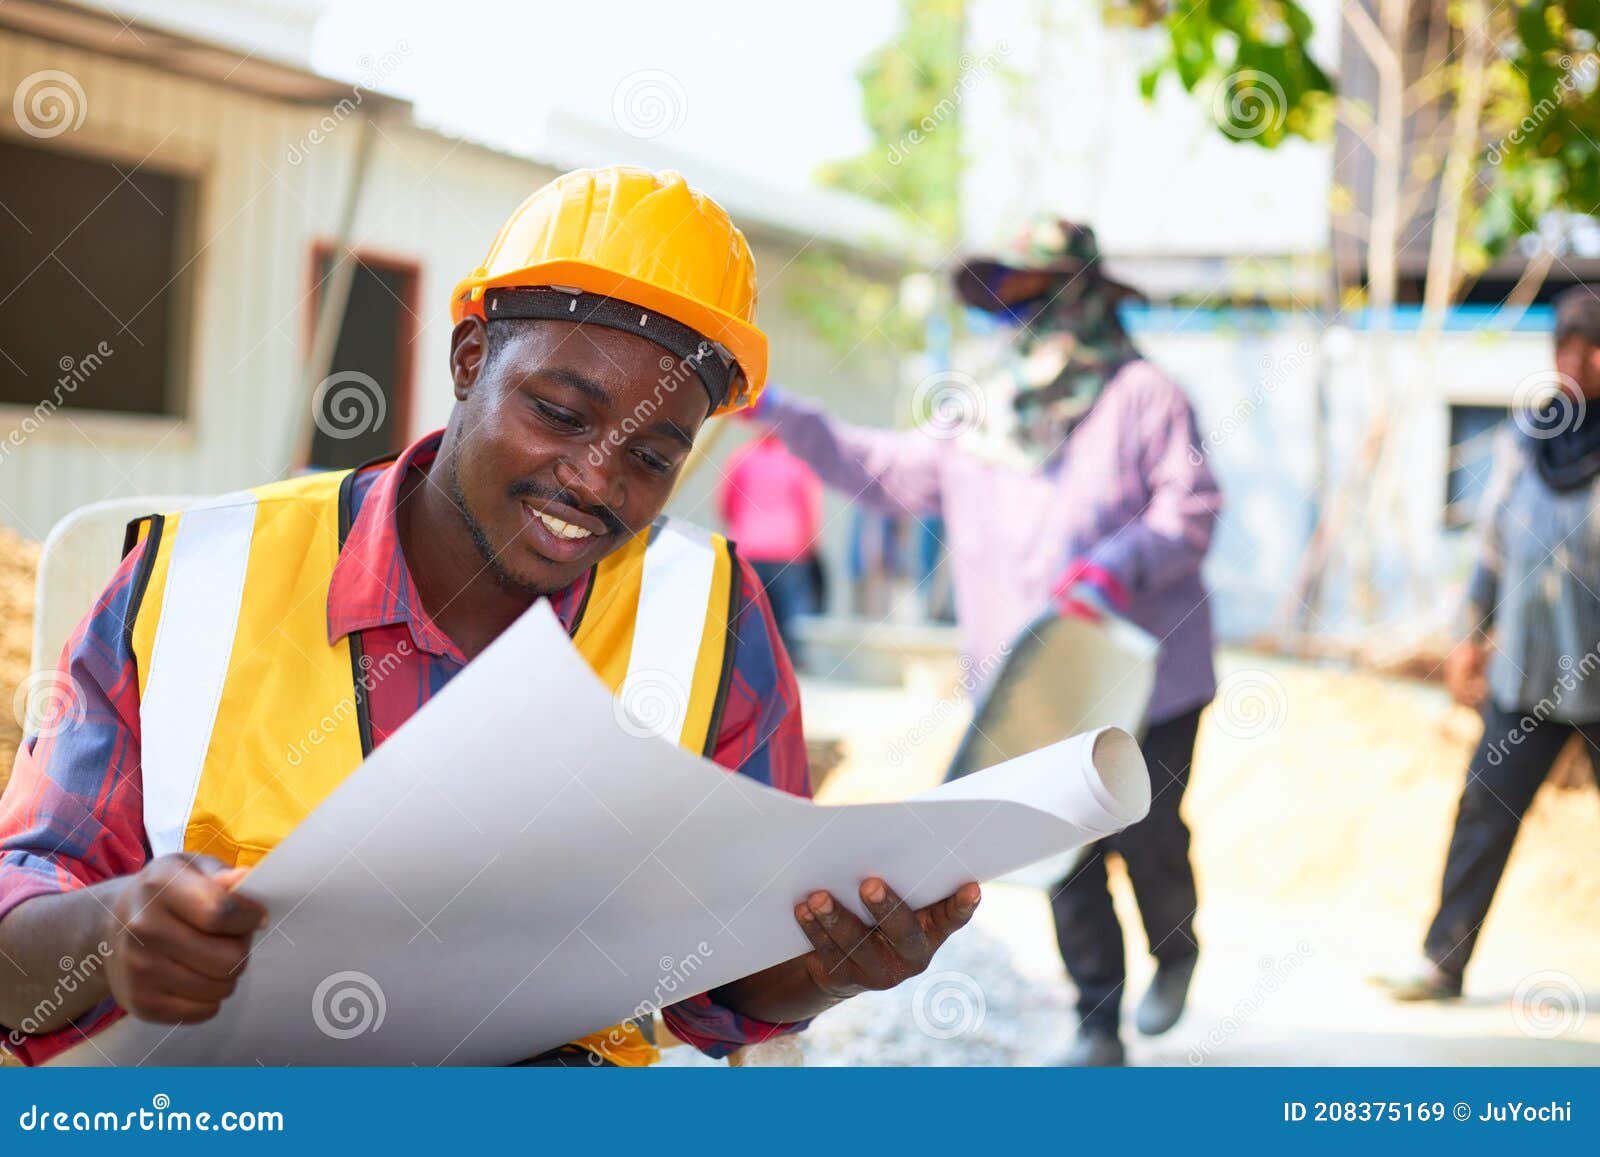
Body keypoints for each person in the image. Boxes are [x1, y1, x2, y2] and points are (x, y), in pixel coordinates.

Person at [0, 166, 981, 1067]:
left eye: (651, 456)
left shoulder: (709, 618)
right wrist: (110, 933)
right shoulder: (201, 581)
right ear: (470, 357)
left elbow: (722, 982)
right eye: (559, 412)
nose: (594, 479)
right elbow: (18, 938)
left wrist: (841, 960)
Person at [754, 217, 1222, 1065]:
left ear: (1081, 296)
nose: (1025, 316)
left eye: (1040, 294)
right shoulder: (983, 410)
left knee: (1146, 834)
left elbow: (1187, 510)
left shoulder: (1146, 396)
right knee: (1063, 851)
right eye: (1012, 299)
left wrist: (1117, 565)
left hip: (1145, 671)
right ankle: (1097, 1022)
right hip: (1035, 683)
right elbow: (887, 473)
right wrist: (785, 413)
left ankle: (1176, 946)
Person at [1379, 287, 1600, 1002]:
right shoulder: (1527, 440)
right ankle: (1444, 960)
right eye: (1566, 347)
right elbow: (1492, 551)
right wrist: (1468, 635)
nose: (1577, 362)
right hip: (1528, 674)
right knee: (1484, 808)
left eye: (1590, 348)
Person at [717, 426, 824, 662]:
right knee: (793, 619)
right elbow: (810, 507)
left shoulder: (741, 457)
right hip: (789, 551)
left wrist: (743, 528)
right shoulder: (798, 459)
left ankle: (747, 667)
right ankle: (794, 669)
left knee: (749, 616)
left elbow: (725, 504)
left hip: (749, 548)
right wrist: (812, 544)